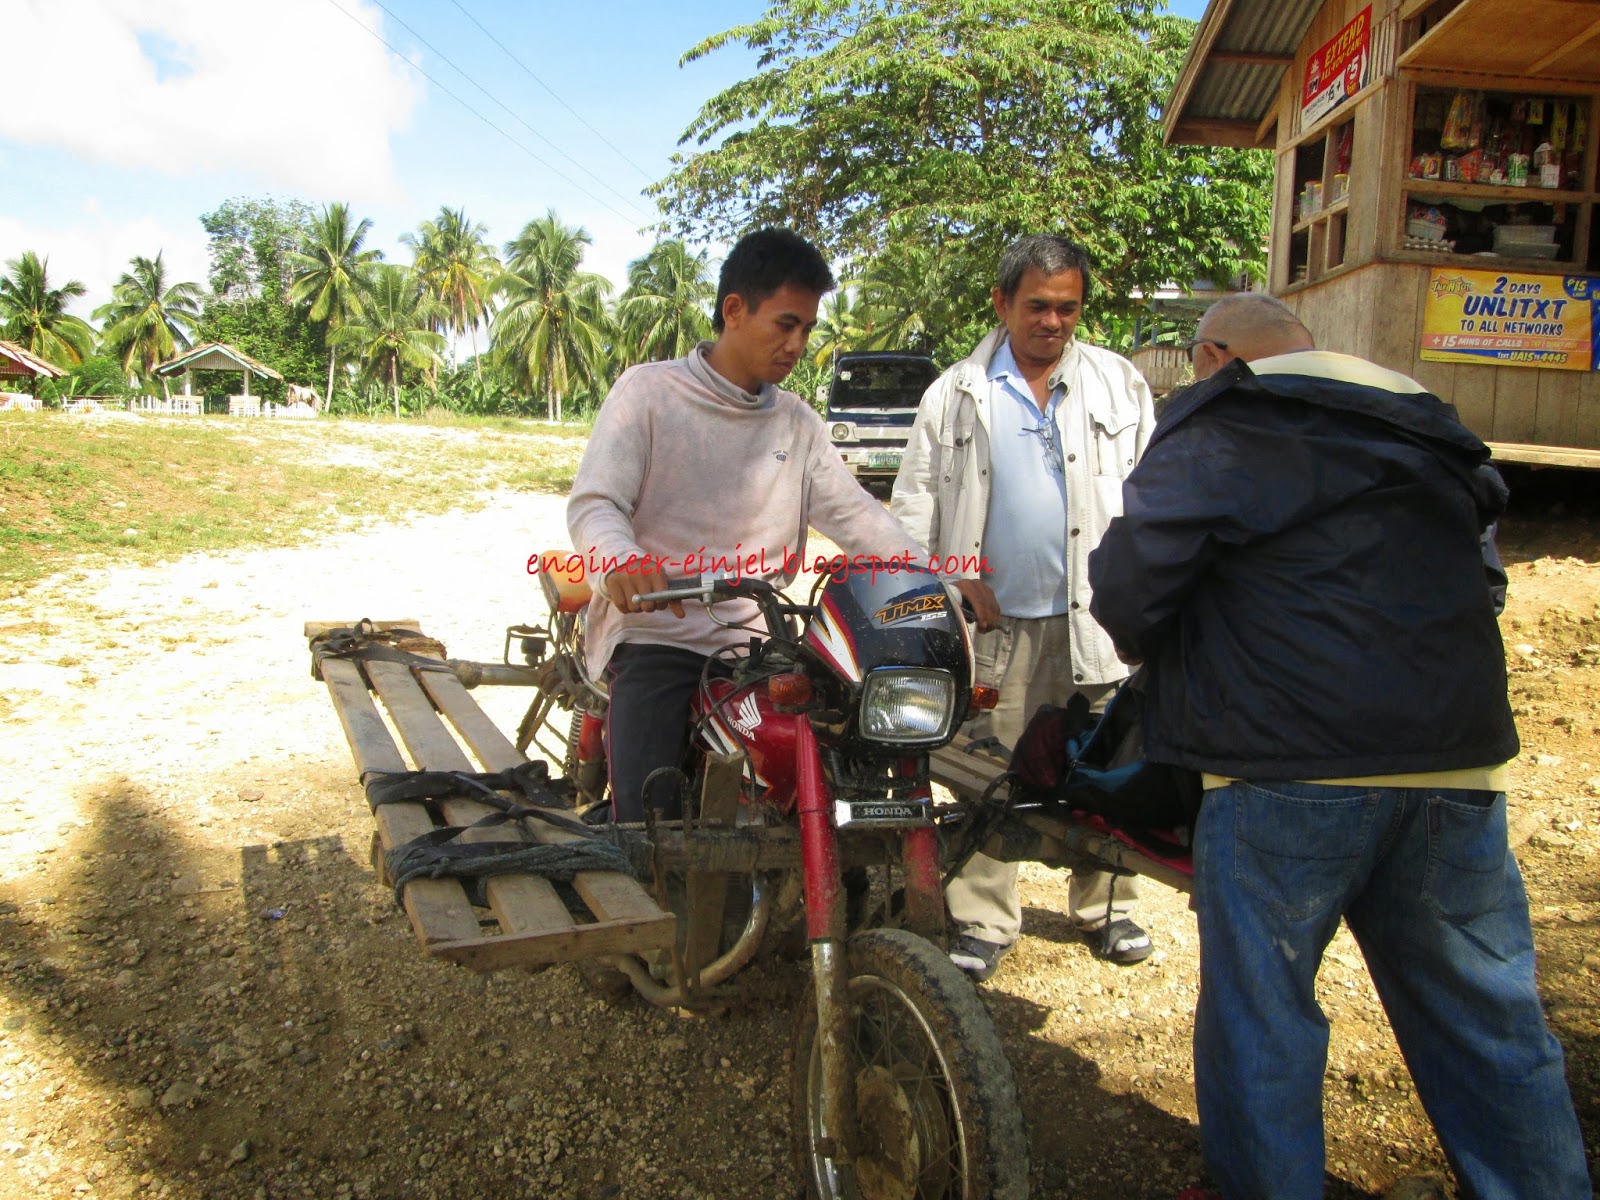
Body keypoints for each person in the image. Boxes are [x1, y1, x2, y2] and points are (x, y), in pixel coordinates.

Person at [1088, 293, 1590, 1200]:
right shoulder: (1434, 434)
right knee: (1491, 1026)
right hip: (1455, 765)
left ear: (1214, 358)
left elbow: (1131, 589)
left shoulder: (1226, 422)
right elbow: (1485, 585)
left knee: (1265, 1024)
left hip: (1283, 771)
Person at [567, 228, 922, 823]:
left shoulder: (799, 425)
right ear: (734, 310)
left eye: (807, 328)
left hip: (763, 639)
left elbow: (860, 517)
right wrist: (620, 561)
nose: (798, 344)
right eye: (786, 324)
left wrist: (937, 579)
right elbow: (595, 503)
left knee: (842, 759)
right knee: (648, 816)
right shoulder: (648, 393)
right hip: (660, 631)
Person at [892, 233, 1157, 979]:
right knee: (986, 769)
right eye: (1037, 306)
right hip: (997, 626)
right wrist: (942, 585)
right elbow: (915, 504)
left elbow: (1153, 493)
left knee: (1107, 763)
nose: (1053, 322)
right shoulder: (955, 392)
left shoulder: (1119, 383)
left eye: (1068, 308)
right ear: (1002, 302)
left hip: (1098, 623)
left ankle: (1109, 906)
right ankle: (983, 917)